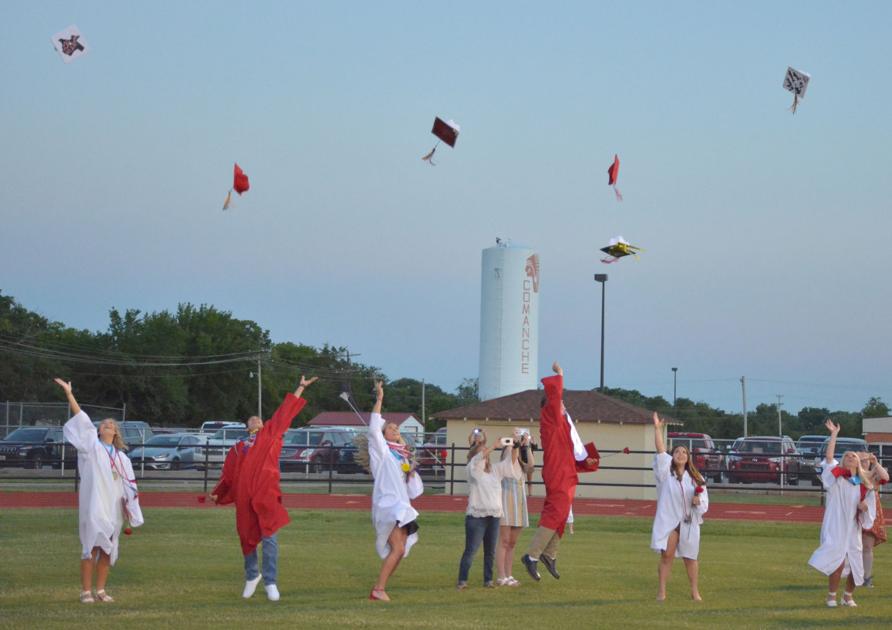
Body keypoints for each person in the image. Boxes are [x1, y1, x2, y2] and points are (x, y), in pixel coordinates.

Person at [211, 374, 317, 602]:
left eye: (259, 419)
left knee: (269, 537)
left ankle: (270, 581)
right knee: (246, 536)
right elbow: (228, 474)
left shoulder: (271, 435)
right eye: (252, 420)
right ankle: (252, 575)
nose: (256, 421)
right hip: (244, 494)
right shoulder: (238, 448)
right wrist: (218, 491)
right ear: (246, 426)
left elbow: (284, 411)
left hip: (266, 492)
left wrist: (300, 387)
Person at [56, 378, 143, 604]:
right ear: (98, 430)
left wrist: (129, 506)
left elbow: (130, 485)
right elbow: (81, 420)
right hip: (94, 504)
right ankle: (86, 591)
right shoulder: (91, 448)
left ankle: (101, 590)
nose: (106, 425)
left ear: (115, 432)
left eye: (111, 424)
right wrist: (69, 394)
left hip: (113, 508)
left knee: (107, 549)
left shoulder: (122, 458)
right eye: (103, 423)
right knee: (91, 547)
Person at [522, 362, 599, 582]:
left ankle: (549, 553)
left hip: (565, 470)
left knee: (561, 514)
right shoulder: (551, 419)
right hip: (558, 472)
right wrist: (560, 375)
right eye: (560, 403)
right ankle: (532, 555)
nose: (563, 406)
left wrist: (586, 461)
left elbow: (571, 450)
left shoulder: (562, 425)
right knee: (556, 512)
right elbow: (555, 398)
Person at [808, 420, 874, 607]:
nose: (850, 457)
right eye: (847, 456)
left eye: (853, 455)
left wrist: (864, 507)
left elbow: (869, 505)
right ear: (843, 461)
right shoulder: (837, 478)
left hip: (853, 527)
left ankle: (848, 596)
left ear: (858, 462)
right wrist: (834, 434)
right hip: (836, 524)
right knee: (837, 561)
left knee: (855, 563)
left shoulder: (862, 484)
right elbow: (829, 458)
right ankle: (831, 596)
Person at [368, 381, 424, 601]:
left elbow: (413, 490)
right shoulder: (380, 452)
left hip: (402, 506)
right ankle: (378, 589)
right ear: (383, 434)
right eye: (390, 428)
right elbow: (373, 428)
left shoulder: (401, 456)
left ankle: (379, 588)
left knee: (399, 550)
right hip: (388, 506)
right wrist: (380, 398)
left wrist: (410, 469)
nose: (395, 429)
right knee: (398, 548)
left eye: (397, 428)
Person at [651, 411, 708, 602]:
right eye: (677, 452)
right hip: (670, 522)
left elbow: (705, 503)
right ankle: (661, 591)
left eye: (684, 452)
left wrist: (698, 503)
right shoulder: (666, 474)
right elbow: (660, 451)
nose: (680, 454)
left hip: (689, 522)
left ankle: (694, 591)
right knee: (666, 556)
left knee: (690, 558)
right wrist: (657, 430)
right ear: (672, 456)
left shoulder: (696, 478)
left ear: (688, 456)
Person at [457, 428, 520, 589]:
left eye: (486, 452)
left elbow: (510, 464)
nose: (486, 453)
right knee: (471, 550)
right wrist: (492, 445)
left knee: (490, 551)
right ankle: (462, 580)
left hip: (494, 515)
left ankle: (488, 580)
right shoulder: (473, 470)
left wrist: (516, 445)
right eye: (483, 451)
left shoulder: (494, 470)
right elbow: (478, 458)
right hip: (476, 516)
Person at [496, 429, 535, 586]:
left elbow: (531, 467)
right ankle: (501, 576)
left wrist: (528, 446)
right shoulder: (508, 453)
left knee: (512, 542)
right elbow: (510, 461)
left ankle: (509, 575)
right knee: (504, 540)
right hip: (506, 500)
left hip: (519, 502)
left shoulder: (521, 458)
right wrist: (515, 443)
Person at [859, 452, 888, 588]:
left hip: (871, 514)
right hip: (854, 514)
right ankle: (853, 575)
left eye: (866, 460)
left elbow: (885, 477)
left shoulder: (873, 476)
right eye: (861, 460)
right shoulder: (852, 476)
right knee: (851, 546)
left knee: (867, 546)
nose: (864, 462)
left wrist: (876, 462)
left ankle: (867, 577)